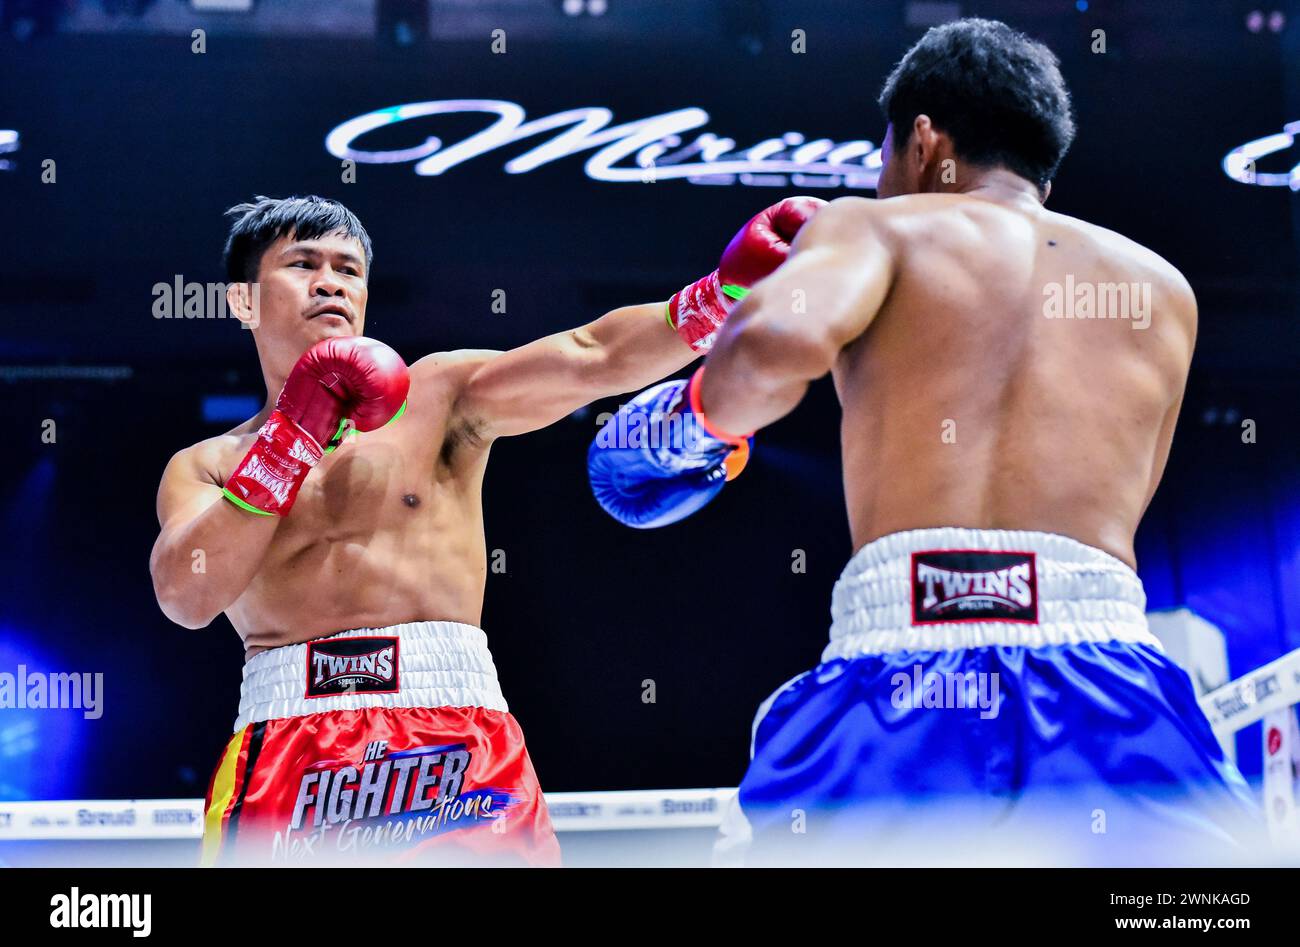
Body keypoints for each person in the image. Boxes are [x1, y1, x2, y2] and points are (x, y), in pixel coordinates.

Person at [587, 18, 1261, 865]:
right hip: (1113, 674)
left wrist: (689, 427)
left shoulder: (875, 228)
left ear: (923, 138)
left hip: (907, 667)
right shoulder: (1163, 290)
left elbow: (770, 349)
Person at [149, 193, 822, 865]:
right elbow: (187, 596)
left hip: (455, 738)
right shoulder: (208, 464)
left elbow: (591, 354)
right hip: (289, 746)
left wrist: (723, 294)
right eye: (302, 264)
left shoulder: (436, 395)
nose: (331, 281)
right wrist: (289, 441)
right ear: (242, 301)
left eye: (348, 269)